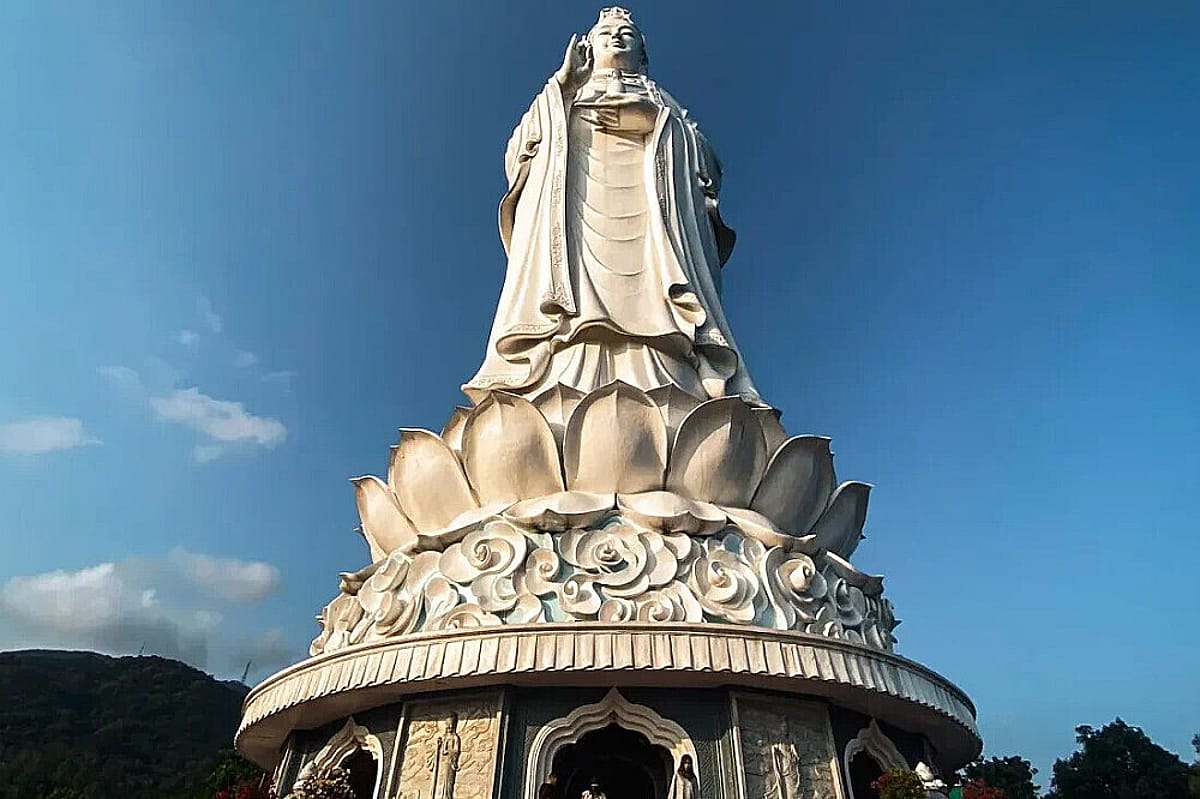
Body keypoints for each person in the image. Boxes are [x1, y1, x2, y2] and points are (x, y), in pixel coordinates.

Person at [464, 7, 763, 405]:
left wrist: (656, 123)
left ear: (643, 52)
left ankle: (674, 373)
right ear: (589, 47)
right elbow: (517, 153)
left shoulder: (663, 102)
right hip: (578, 214)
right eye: (606, 34)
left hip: (652, 220)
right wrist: (562, 87)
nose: (617, 38)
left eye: (627, 33)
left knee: (654, 295)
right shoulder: (564, 94)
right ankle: (558, 373)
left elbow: (709, 165)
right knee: (574, 303)